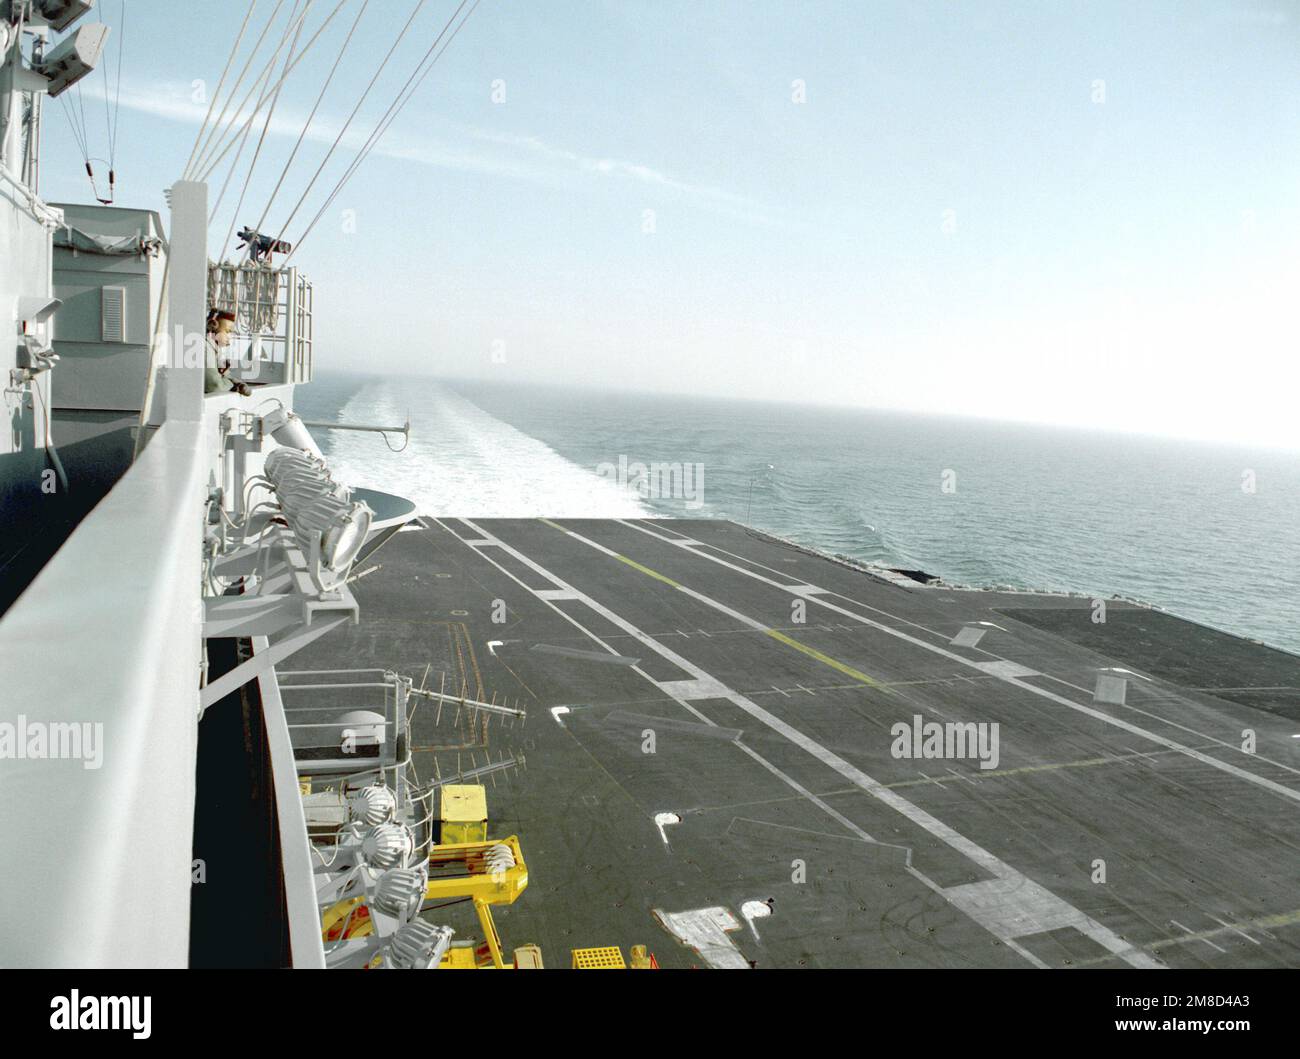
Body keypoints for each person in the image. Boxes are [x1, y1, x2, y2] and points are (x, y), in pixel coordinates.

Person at [204, 308, 252, 396]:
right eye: (227, 332)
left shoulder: (215, 349)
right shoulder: (205, 348)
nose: (229, 338)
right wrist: (233, 386)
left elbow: (226, 375)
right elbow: (215, 386)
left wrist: (240, 384)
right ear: (212, 325)